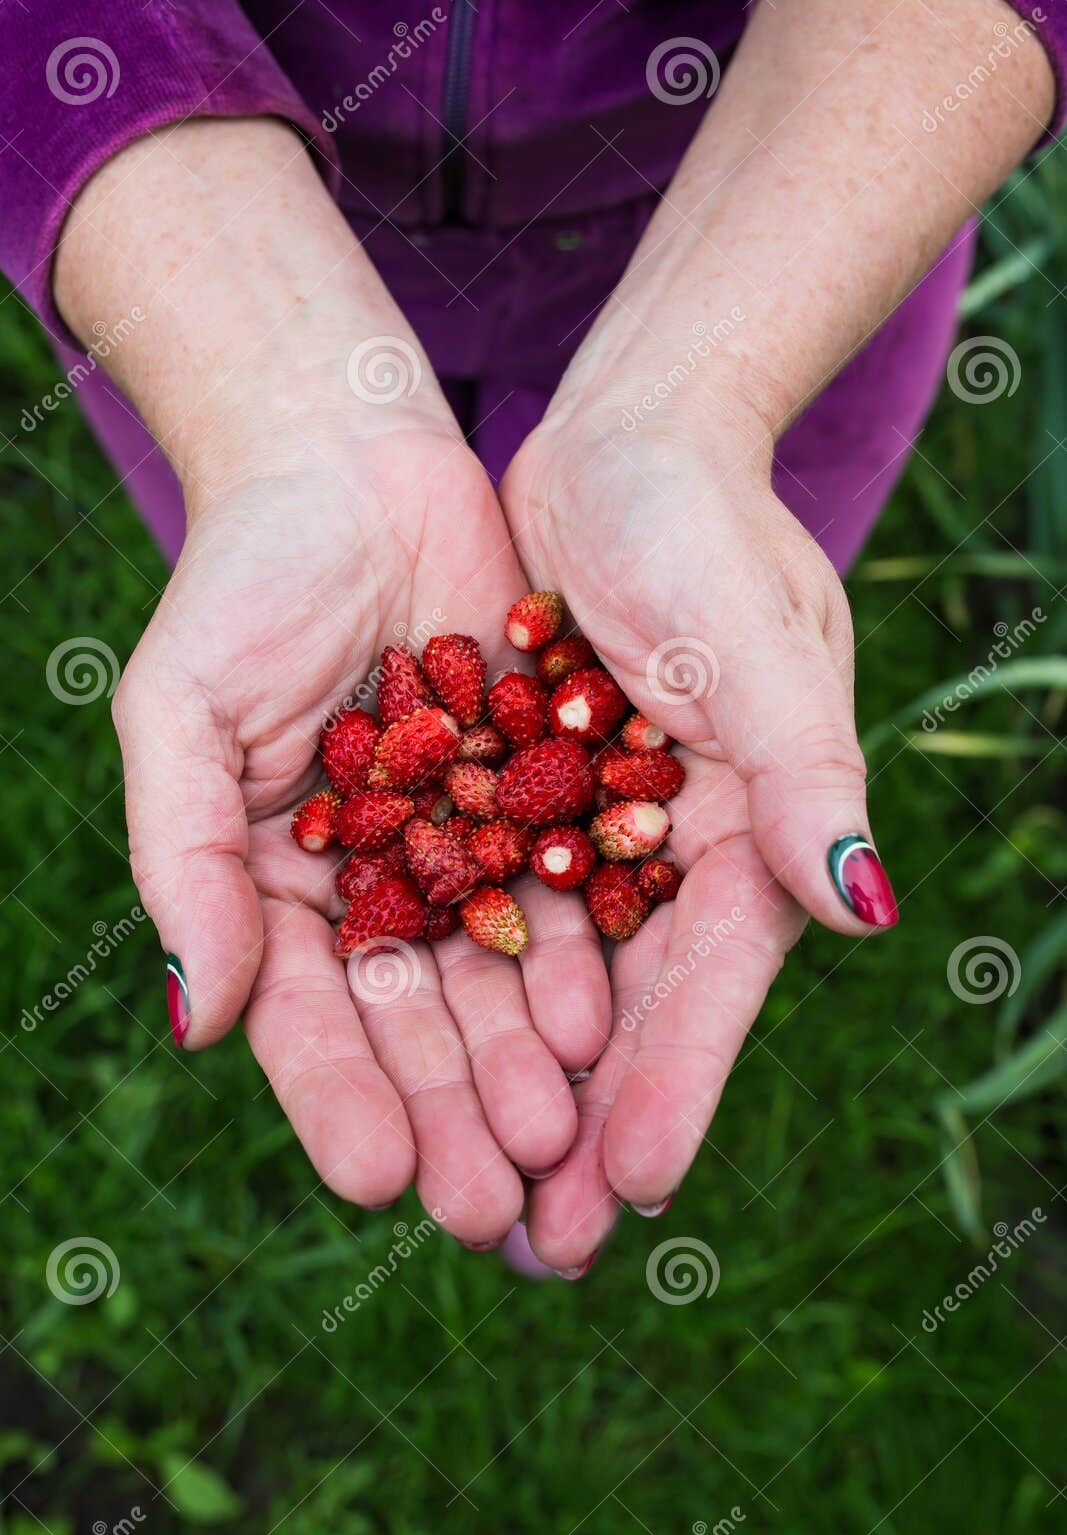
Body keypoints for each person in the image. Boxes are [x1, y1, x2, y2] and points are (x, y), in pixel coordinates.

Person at [2, 2, 1060, 1275]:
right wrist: (260, 405)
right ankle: (537, 1134)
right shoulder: (454, 760)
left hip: (778, 224)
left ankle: (545, 1123)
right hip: (212, 274)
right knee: (322, 592)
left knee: (712, 606)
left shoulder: (486, 762)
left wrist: (692, 408)